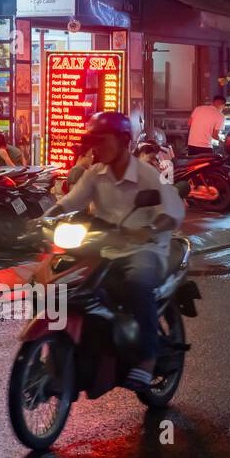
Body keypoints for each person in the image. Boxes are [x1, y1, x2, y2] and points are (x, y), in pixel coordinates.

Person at [47, 111, 185, 391]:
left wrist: (150, 228)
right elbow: (70, 202)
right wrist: (44, 218)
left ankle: (146, 358)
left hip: (145, 249)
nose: (96, 146)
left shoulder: (147, 174)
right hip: (105, 249)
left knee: (136, 284)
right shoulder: (95, 174)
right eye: (93, 140)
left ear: (123, 141)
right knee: (68, 285)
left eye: (102, 140)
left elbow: (173, 210)